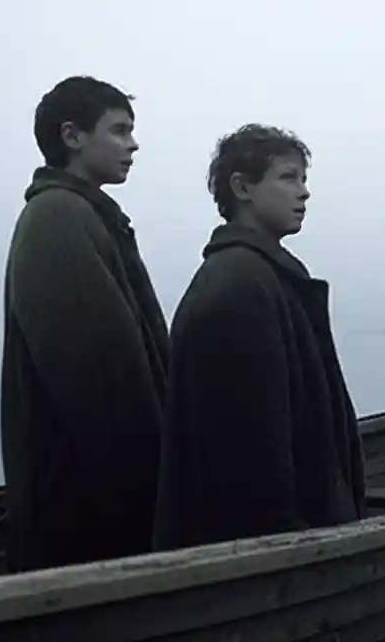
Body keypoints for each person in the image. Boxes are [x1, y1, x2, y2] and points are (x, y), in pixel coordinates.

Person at [153, 124, 365, 549]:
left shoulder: (264, 275)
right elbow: (251, 441)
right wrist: (288, 539)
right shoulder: (240, 284)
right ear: (242, 187)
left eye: (304, 180)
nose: (304, 193)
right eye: (288, 178)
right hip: (265, 551)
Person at [0, 76, 170, 571]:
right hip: (86, 520)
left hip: (98, 509)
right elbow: (102, 382)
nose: (133, 144)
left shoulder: (85, 215)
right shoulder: (58, 218)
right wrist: (156, 492)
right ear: (72, 136)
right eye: (118, 130)